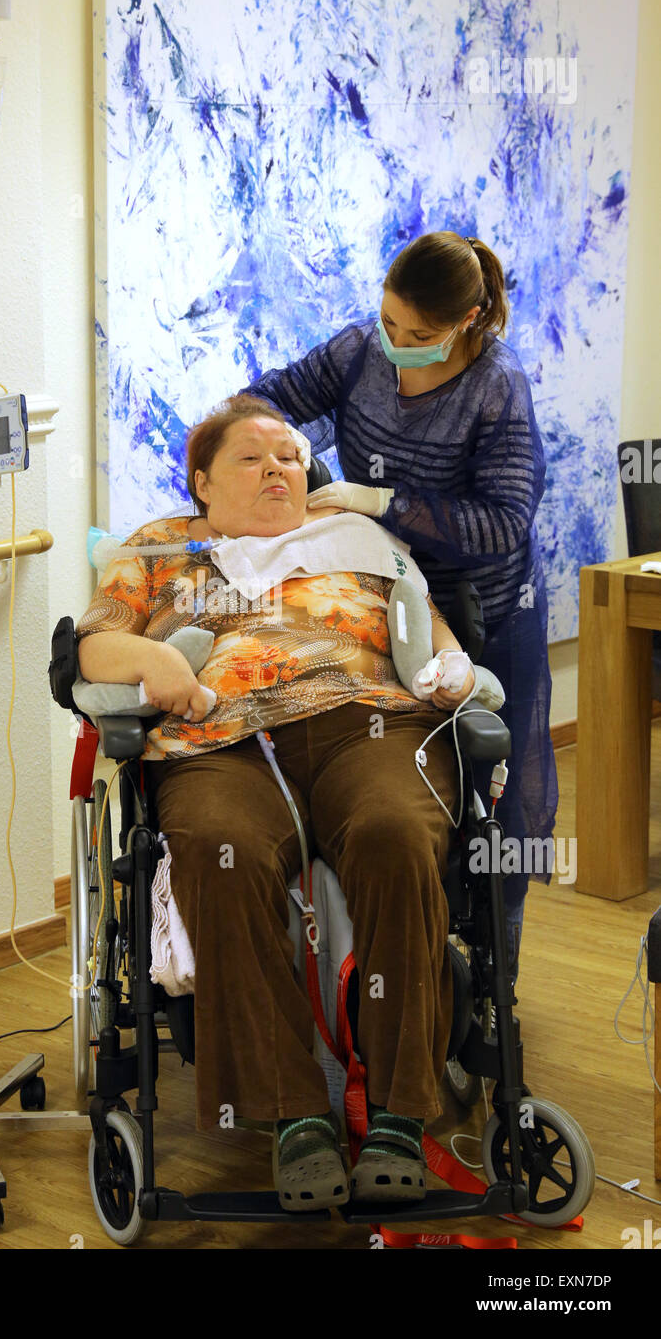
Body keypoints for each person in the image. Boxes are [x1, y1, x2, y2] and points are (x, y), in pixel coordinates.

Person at [74, 395, 475, 1210]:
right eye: (252, 460)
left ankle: (399, 1113)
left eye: (289, 457)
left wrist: (457, 673)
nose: (278, 471)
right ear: (202, 481)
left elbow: (434, 637)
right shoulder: (158, 547)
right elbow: (92, 645)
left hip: (368, 724)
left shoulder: (360, 539)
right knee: (221, 849)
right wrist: (155, 658)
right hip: (220, 741)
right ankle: (295, 1114)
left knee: (398, 834)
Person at [240, 231, 558, 989]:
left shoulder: (497, 388)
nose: (396, 345)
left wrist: (382, 501)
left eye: (417, 337)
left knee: (491, 793)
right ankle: (403, 968)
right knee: (408, 782)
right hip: (389, 587)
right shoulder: (360, 351)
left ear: (469, 320)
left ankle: (490, 984)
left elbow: (504, 523)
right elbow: (261, 403)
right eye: (388, 322)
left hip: (484, 602)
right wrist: (285, 456)